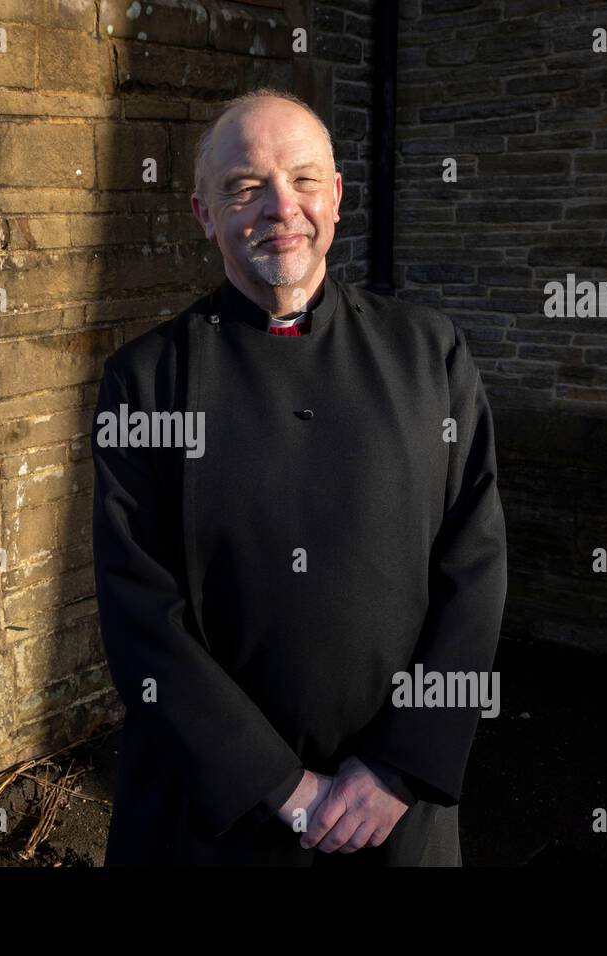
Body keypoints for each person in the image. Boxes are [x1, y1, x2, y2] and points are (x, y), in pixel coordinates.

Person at [90, 88, 507, 866]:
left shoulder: (431, 354)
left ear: (337, 198)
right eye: (245, 187)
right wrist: (282, 785)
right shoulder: (144, 382)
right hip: (211, 810)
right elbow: (137, 607)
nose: (281, 207)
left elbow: (474, 567)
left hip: (394, 815)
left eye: (304, 179)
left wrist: (398, 764)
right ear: (204, 215)